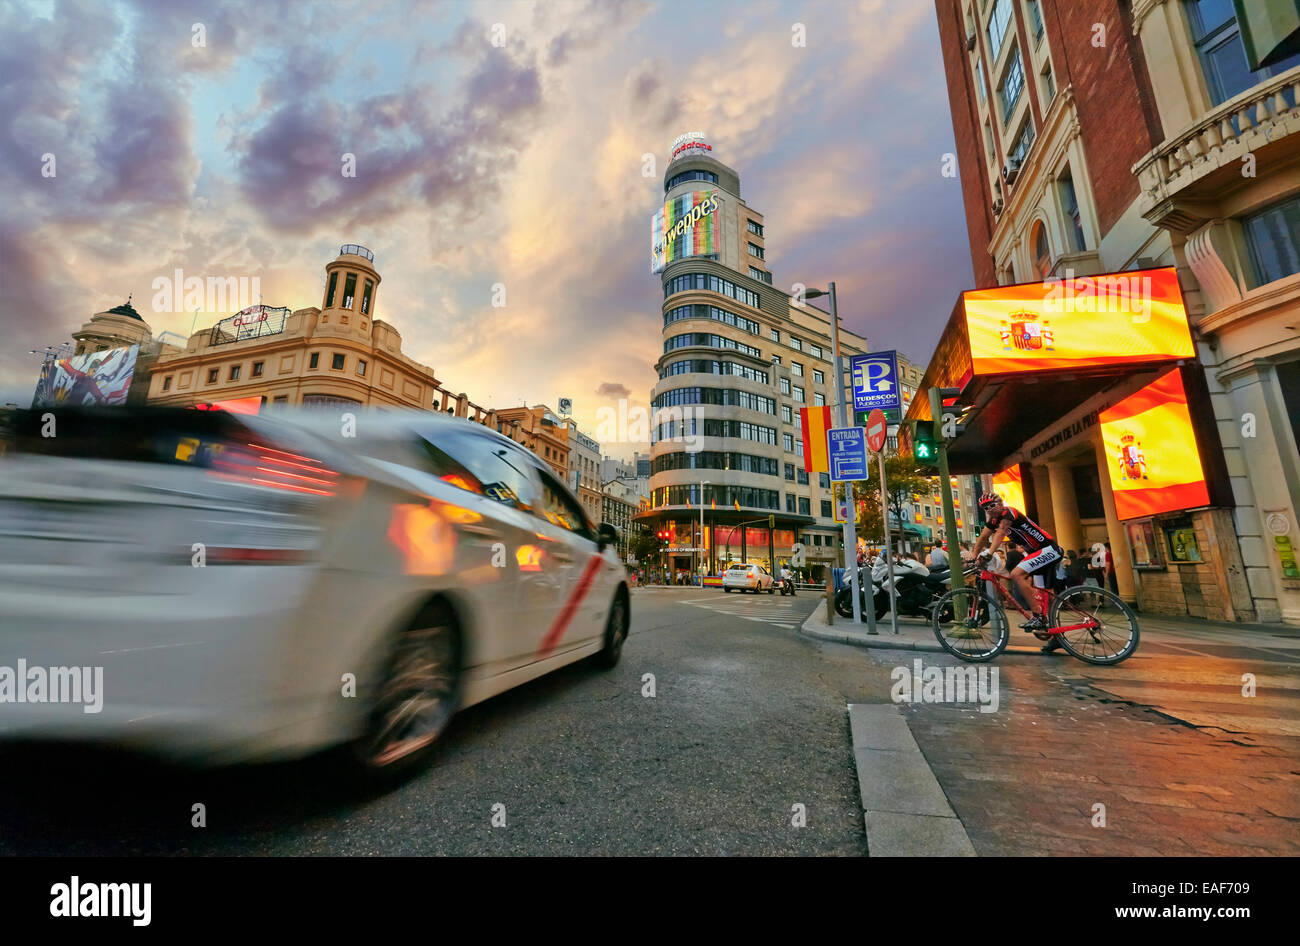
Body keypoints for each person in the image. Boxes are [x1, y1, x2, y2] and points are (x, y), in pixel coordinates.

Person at [972, 492, 1066, 652]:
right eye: (985, 508)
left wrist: (989, 553)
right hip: (1039, 554)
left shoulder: (1009, 512)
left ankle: (1037, 617)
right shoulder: (993, 520)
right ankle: (1057, 637)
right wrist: (974, 556)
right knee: (1045, 598)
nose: (990, 509)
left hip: (1049, 549)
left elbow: (1001, 533)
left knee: (1016, 574)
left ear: (1000, 504)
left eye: (992, 505)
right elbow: (982, 538)